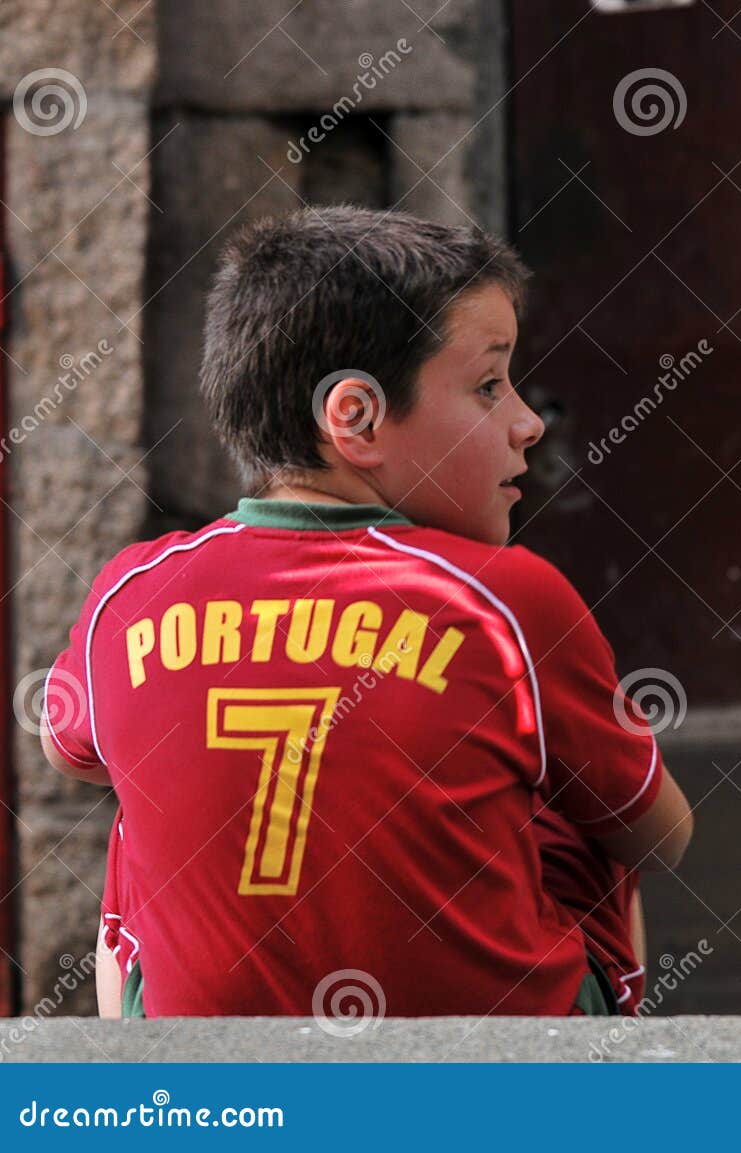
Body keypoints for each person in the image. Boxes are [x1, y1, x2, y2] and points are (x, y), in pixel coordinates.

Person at [49, 205, 691, 1017]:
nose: (527, 423)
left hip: (218, 1070)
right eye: (489, 385)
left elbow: (67, 750)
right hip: (494, 1067)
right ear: (354, 418)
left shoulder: (133, 589)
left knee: (135, 812)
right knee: (581, 800)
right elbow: (659, 835)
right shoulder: (506, 600)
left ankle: (140, 1075)